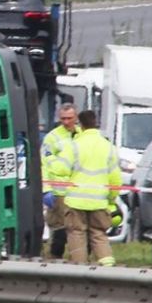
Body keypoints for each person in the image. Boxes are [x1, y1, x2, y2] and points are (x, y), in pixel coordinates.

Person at [49, 110, 121, 266]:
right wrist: (111, 199)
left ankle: (79, 269)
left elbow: (61, 169)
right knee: (99, 234)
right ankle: (108, 267)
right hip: (99, 201)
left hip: (76, 201)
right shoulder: (108, 147)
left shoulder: (74, 146)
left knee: (77, 233)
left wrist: (51, 160)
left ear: (80, 124)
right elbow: (115, 178)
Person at [41, 103, 80, 258]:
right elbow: (44, 164)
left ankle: (78, 260)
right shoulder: (52, 137)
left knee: (77, 230)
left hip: (78, 191)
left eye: (69, 118)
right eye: (63, 118)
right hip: (59, 192)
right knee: (59, 230)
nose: (66, 122)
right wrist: (47, 189)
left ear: (76, 117)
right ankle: (55, 259)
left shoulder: (82, 135)